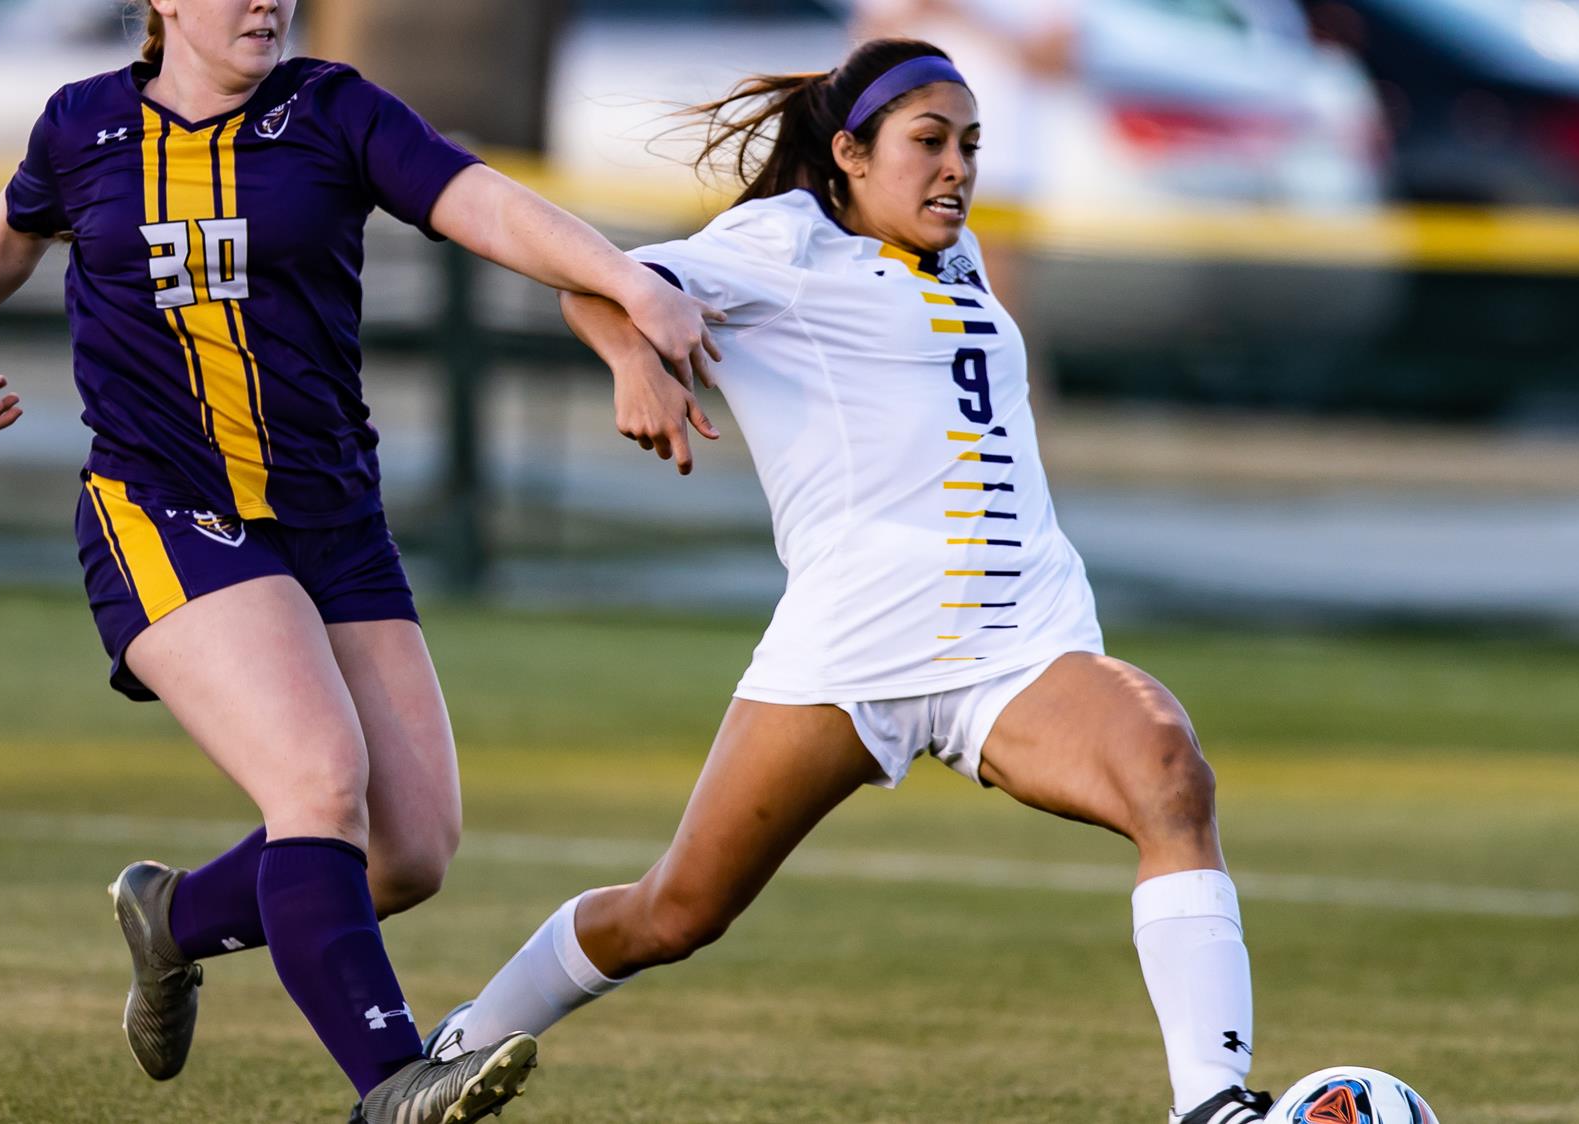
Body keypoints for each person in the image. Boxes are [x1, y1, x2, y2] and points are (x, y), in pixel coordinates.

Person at [0, 0, 719, 1120]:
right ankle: (389, 1084)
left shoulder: (327, 108)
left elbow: (480, 202)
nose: (265, 2)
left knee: (411, 848)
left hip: (330, 514)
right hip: (164, 505)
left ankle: (174, 918)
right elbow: (13, 221)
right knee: (319, 780)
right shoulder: (83, 126)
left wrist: (627, 286)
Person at [428, 39, 1273, 1124]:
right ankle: (459, 1044)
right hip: (851, 644)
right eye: (927, 143)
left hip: (1017, 642)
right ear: (849, 153)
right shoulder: (779, 243)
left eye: (968, 145)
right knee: (676, 910)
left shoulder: (958, 258)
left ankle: (1211, 1103)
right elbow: (597, 284)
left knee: (1169, 770)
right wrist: (634, 358)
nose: (954, 168)